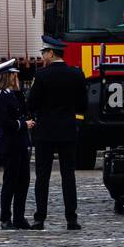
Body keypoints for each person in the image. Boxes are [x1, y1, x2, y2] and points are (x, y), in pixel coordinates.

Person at [28, 35, 87, 230]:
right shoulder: (77, 74)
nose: (42, 56)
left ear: (51, 53)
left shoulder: (42, 75)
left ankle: (40, 217)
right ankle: (71, 218)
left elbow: (32, 103)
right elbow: (83, 105)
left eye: (44, 52)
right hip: (68, 130)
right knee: (68, 175)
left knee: (42, 176)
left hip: (45, 131)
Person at [0, 59, 34, 230]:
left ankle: (19, 217)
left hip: (22, 143)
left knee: (23, 181)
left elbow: (24, 110)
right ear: (7, 76)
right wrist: (23, 124)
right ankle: (5, 218)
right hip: (10, 144)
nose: (17, 78)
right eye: (14, 75)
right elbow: (4, 120)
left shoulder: (15, 93)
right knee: (10, 182)